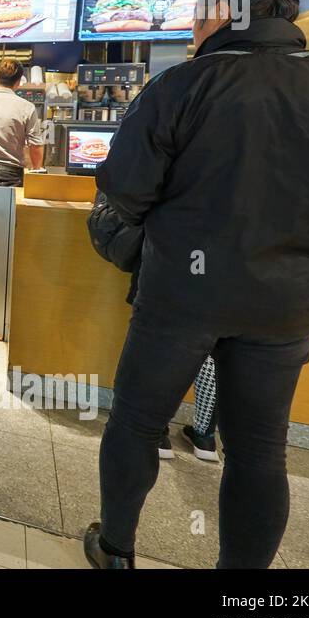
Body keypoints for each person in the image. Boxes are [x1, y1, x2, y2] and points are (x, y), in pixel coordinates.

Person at [84, 0, 309, 569]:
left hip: (179, 294)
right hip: (287, 302)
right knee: (258, 450)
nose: (192, 28)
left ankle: (117, 550)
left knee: (137, 421)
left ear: (226, 12)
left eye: (199, 13)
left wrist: (143, 250)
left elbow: (123, 196)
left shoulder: (180, 87)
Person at [88, 193, 220, 463]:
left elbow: (128, 187)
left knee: (159, 345)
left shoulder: (171, 152)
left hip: (168, 256)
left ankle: (157, 431)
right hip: (224, 261)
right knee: (210, 348)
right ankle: (205, 436)